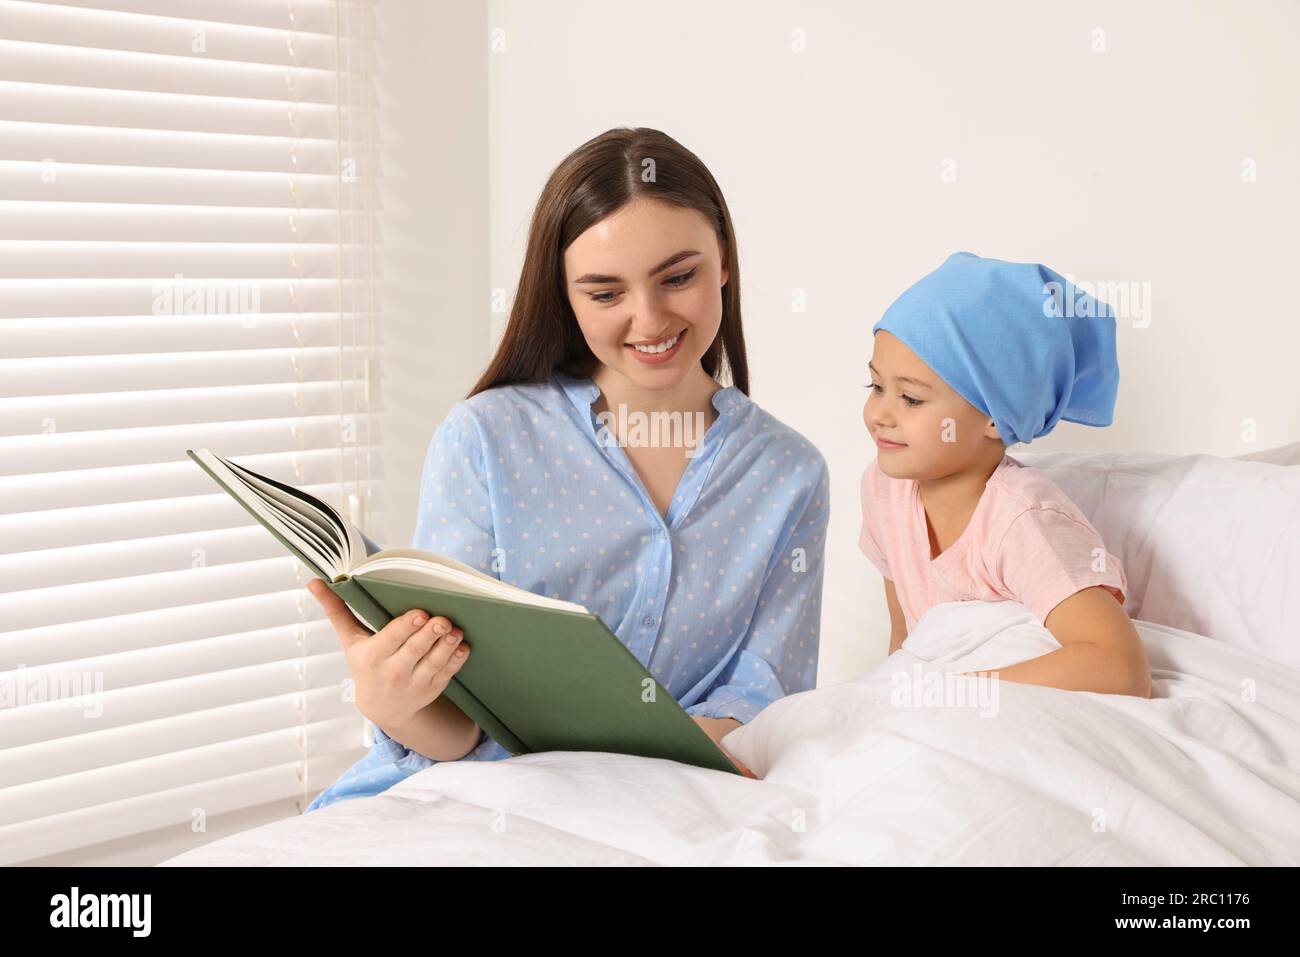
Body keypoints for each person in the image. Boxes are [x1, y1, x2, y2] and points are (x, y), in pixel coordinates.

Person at [304, 127, 830, 810]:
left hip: (673, 809)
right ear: (564, 295)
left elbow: (761, 698)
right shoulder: (485, 439)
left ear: (723, 260)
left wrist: (634, 775)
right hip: (456, 802)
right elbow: (455, 725)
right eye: (605, 293)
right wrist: (392, 699)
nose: (650, 318)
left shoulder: (789, 474)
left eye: (678, 277)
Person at [859, 251, 1151, 697]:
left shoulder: (1022, 520)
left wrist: (947, 694)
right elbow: (906, 648)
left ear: (996, 415)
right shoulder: (884, 491)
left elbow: (1119, 668)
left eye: (911, 399)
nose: (880, 413)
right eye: (876, 386)